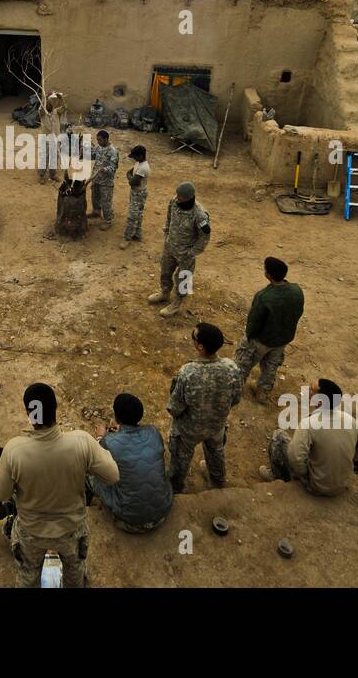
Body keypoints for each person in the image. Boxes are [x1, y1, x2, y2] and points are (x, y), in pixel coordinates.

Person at [0, 383, 119, 588]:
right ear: (55, 408)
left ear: (29, 414)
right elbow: (112, 475)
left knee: (28, 573)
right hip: (71, 528)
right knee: (74, 569)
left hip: (31, 531)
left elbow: (1, 494)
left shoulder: (14, 450)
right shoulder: (81, 442)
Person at [261, 379, 358, 497]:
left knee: (278, 436)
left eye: (311, 390)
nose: (307, 391)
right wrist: (350, 459)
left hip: (317, 486)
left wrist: (304, 474)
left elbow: (296, 459)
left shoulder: (308, 424)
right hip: (342, 484)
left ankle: (278, 476)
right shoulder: (350, 420)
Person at [167, 322, 241, 493]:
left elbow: (174, 407)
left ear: (200, 347)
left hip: (189, 429)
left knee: (181, 458)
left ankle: (177, 487)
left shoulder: (188, 372)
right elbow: (235, 399)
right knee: (216, 451)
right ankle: (217, 480)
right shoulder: (232, 368)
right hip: (216, 425)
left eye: (193, 337)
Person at [88, 393, 172, 533]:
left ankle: (87, 507)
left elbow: (96, 456)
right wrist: (120, 433)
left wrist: (100, 436)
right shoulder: (153, 432)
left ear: (116, 417)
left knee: (91, 474)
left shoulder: (109, 442)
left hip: (129, 519)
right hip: (162, 512)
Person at [235, 256, 305, 403]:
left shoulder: (264, 297)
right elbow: (298, 312)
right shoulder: (297, 290)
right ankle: (263, 393)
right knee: (270, 367)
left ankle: (235, 390)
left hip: (261, 340)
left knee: (243, 364)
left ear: (268, 274)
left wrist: (249, 337)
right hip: (281, 340)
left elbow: (253, 322)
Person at [148, 182, 211, 318]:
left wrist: (192, 253)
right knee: (165, 271)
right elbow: (169, 219)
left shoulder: (200, 214)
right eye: (177, 196)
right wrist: (166, 235)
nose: (177, 199)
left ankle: (177, 303)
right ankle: (165, 293)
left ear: (189, 198)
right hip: (170, 247)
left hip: (186, 253)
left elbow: (204, 237)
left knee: (184, 278)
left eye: (181, 197)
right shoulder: (174, 201)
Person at [119, 145, 150, 250]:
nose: (134, 158)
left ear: (141, 155)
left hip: (139, 193)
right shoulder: (139, 163)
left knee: (132, 216)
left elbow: (132, 182)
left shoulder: (143, 168)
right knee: (138, 214)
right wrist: (130, 178)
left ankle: (127, 238)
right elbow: (129, 173)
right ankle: (137, 234)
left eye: (135, 156)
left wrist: (130, 178)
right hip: (137, 192)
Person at [89, 130, 119, 230]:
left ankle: (108, 220)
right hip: (96, 179)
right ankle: (96, 212)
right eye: (97, 140)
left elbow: (113, 167)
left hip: (106, 182)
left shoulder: (113, 151)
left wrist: (104, 169)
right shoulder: (98, 147)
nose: (98, 142)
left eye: (100, 140)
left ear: (106, 139)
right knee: (95, 197)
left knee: (106, 201)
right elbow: (93, 155)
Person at [37, 91, 68, 184]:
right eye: (48, 104)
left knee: (54, 156)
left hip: (55, 138)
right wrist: (45, 98)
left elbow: (65, 108)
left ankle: (53, 174)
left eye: (51, 104)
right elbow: (42, 109)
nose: (50, 106)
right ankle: (41, 176)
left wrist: (61, 98)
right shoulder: (42, 113)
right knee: (45, 157)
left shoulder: (56, 112)